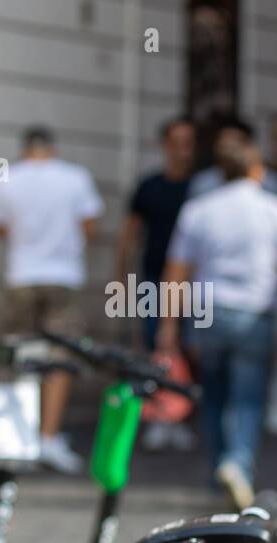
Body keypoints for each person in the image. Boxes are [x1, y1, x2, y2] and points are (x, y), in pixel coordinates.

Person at [158, 139, 277, 509]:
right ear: (256, 170)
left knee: (214, 394)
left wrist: (168, 325)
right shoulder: (276, 209)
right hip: (256, 313)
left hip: (209, 312)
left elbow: (176, 272)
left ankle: (217, 471)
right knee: (249, 397)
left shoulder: (198, 210)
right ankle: (237, 463)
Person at [0, 125, 104, 474]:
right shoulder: (74, 177)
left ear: (25, 149)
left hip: (21, 275)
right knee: (58, 359)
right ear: (52, 149)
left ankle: (14, 442)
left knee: (20, 355)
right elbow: (90, 227)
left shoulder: (7, 175)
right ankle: (48, 437)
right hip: (62, 276)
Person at [115, 116, 197, 451]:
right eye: (177, 141)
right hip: (154, 280)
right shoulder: (150, 187)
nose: (183, 150)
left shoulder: (201, 188)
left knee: (188, 348)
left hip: (195, 284)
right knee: (155, 346)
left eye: (188, 142)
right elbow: (130, 235)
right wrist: (121, 281)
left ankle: (180, 416)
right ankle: (160, 415)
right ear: (164, 145)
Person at [187, 116, 277, 200]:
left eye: (235, 144)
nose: (229, 150)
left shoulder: (271, 184)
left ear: (249, 146)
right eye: (225, 144)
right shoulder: (203, 184)